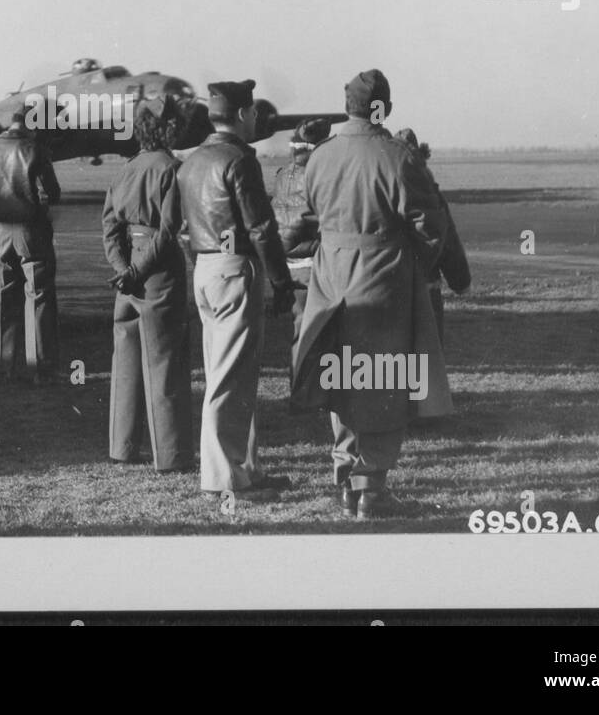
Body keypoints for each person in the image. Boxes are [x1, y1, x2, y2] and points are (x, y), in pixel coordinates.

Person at [291, 70, 453, 520]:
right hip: (385, 281)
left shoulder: (319, 158)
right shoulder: (398, 156)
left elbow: (304, 221)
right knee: (384, 379)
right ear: (381, 108)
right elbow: (429, 225)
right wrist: (417, 260)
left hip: (330, 283)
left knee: (341, 377)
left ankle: (346, 476)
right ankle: (371, 488)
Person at [177, 80, 296, 498]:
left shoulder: (191, 162)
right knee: (230, 381)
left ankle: (245, 471)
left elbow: (180, 227)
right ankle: (224, 480)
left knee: (228, 375)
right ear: (244, 114)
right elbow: (261, 228)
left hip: (205, 269)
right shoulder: (239, 160)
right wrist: (282, 282)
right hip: (233, 271)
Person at [102, 100, 195, 471]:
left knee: (125, 363)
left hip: (128, 275)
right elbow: (170, 230)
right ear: (167, 130)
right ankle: (171, 455)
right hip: (158, 271)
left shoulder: (124, 170)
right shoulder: (173, 169)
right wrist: (137, 270)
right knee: (165, 362)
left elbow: (109, 226)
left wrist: (123, 268)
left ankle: (122, 447)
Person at [0, 106, 62, 382]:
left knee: (1, 296)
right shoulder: (34, 149)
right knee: (38, 295)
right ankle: (41, 368)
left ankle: (0, 369)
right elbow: (52, 192)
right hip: (30, 230)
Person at [394, 128, 471, 344]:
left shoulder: (385, 185)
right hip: (426, 286)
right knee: (429, 357)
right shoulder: (431, 190)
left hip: (391, 285)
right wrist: (460, 282)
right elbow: (448, 240)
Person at [271, 117, 332, 341]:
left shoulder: (281, 175)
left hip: (289, 266)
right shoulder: (318, 176)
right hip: (312, 264)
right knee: (318, 337)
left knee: (301, 330)